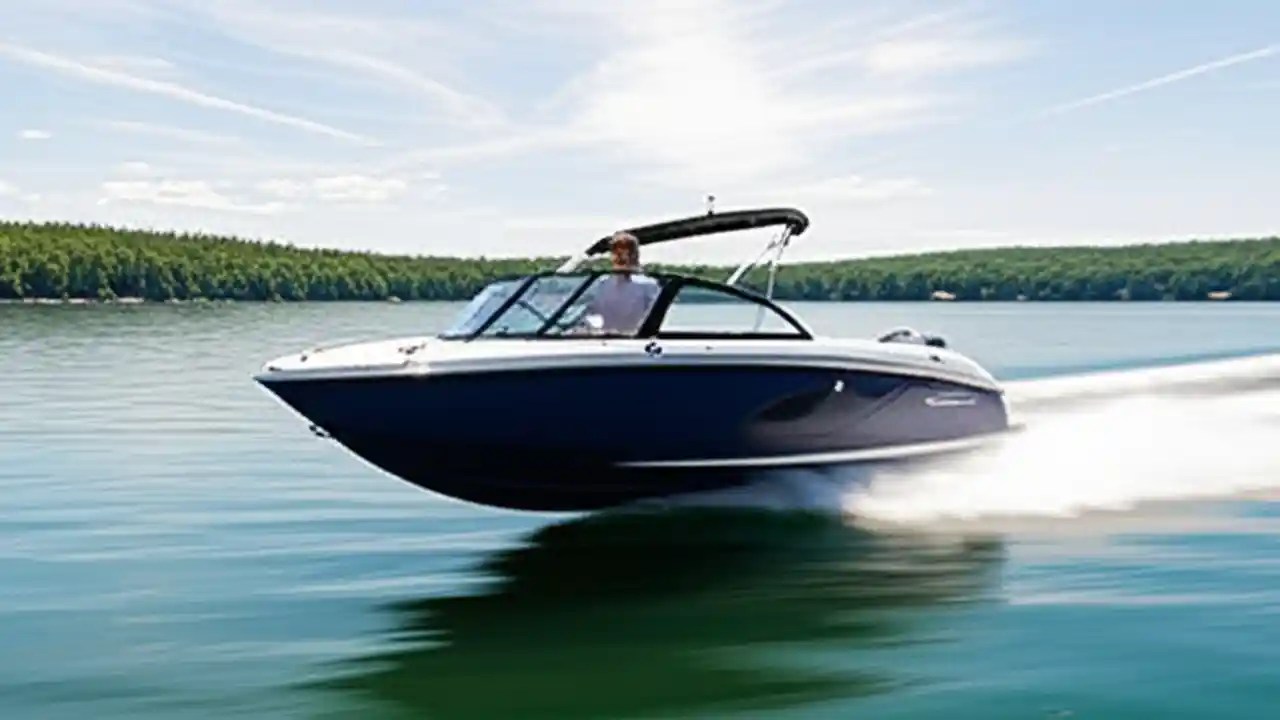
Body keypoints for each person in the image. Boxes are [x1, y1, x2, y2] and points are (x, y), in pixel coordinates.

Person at [584, 231, 660, 335]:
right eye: (618, 253)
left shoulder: (648, 286)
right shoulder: (602, 283)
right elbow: (587, 314)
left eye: (628, 253)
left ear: (635, 255)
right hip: (603, 341)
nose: (623, 258)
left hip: (634, 343)